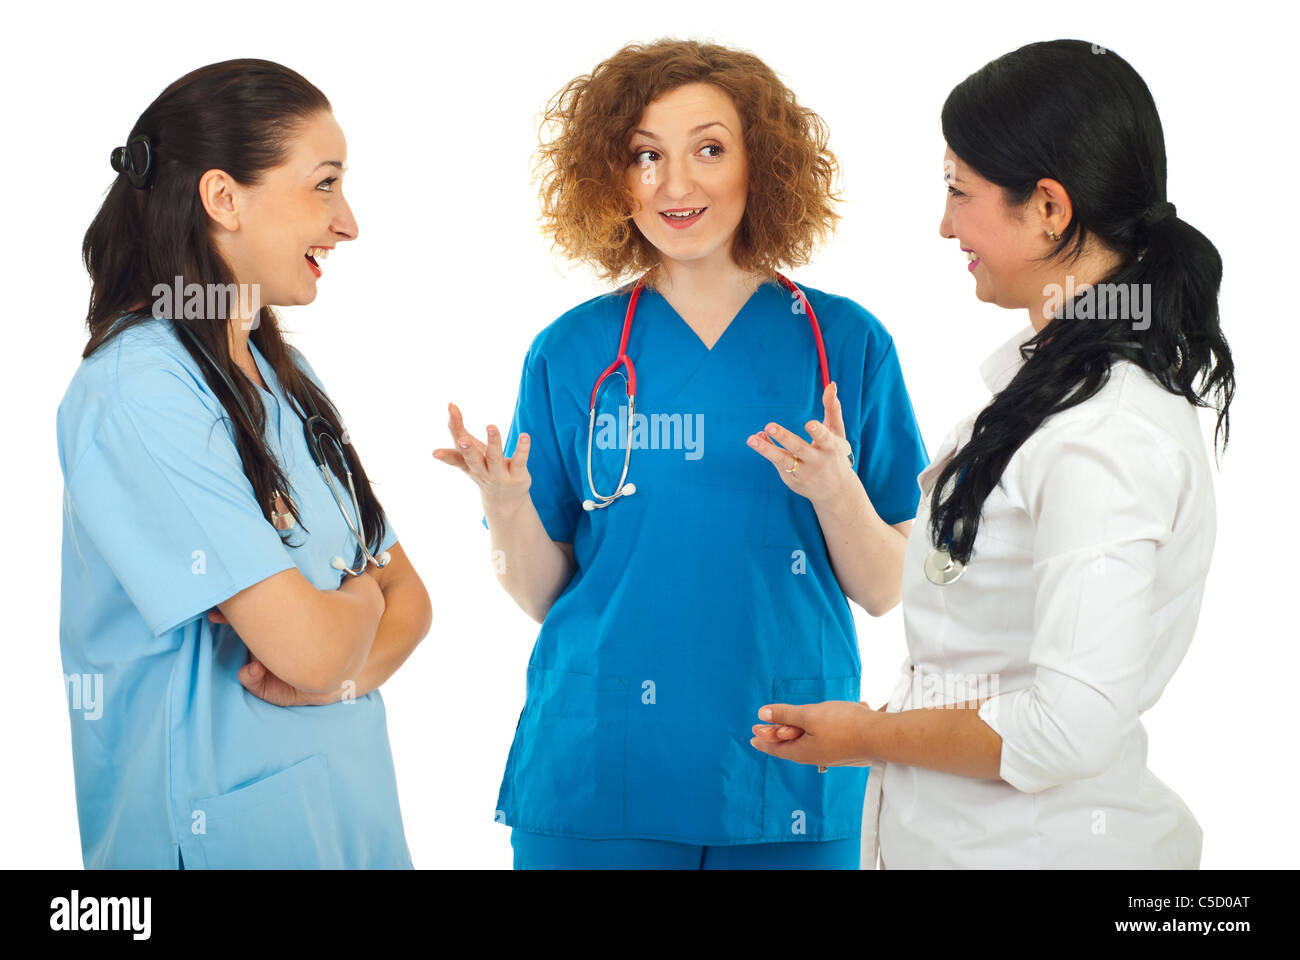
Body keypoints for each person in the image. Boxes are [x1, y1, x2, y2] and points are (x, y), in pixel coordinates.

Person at [434, 39, 929, 869]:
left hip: (788, 764)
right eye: (644, 156)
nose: (675, 185)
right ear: (611, 176)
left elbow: (884, 589)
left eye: (708, 149)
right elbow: (541, 593)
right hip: (599, 768)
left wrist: (837, 491)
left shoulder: (845, 343)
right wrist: (508, 510)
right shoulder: (571, 351)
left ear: (761, 164)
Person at [751, 39, 1234, 869]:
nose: (944, 224)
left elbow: (1065, 726)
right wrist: (837, 491)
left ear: (1048, 206)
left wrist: (868, 734)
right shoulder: (1041, 391)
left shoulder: (1105, 434)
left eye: (958, 190)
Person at [57, 59, 431, 869]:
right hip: (220, 837)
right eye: (324, 185)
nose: (349, 222)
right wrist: (360, 602)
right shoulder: (140, 390)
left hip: (352, 824)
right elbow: (314, 646)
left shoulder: (288, 380)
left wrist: (343, 642)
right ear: (223, 197)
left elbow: (417, 606)